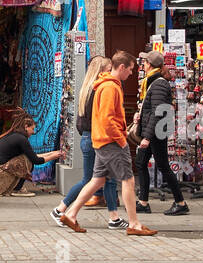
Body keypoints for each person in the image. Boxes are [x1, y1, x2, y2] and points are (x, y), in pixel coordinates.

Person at [59, 55, 155, 236]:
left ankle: (70, 214)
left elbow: (104, 119)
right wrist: (121, 139)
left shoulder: (103, 85)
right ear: (120, 67)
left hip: (101, 140)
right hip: (111, 142)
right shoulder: (111, 87)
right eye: (130, 69)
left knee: (97, 180)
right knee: (128, 180)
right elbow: (107, 119)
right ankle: (134, 224)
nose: (131, 72)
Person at [52, 55, 126, 229]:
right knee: (95, 180)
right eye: (109, 69)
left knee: (104, 179)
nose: (111, 72)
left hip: (88, 137)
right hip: (97, 139)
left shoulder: (87, 89)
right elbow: (104, 118)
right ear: (102, 70)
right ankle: (60, 210)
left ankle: (113, 218)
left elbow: (81, 121)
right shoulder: (101, 89)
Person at [133, 52, 188, 216]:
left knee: (163, 166)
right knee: (141, 162)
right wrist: (140, 115)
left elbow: (158, 112)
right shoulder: (152, 81)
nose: (142, 64)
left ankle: (181, 202)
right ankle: (143, 202)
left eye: (144, 62)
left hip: (155, 132)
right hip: (152, 130)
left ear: (150, 64)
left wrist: (147, 137)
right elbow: (150, 109)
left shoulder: (158, 84)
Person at [0, 108, 62, 196]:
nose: (33, 132)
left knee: (27, 158)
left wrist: (54, 153)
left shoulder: (15, 135)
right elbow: (36, 160)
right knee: (27, 161)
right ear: (26, 127)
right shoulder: (21, 139)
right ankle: (17, 189)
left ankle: (16, 187)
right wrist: (55, 156)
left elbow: (33, 155)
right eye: (32, 129)